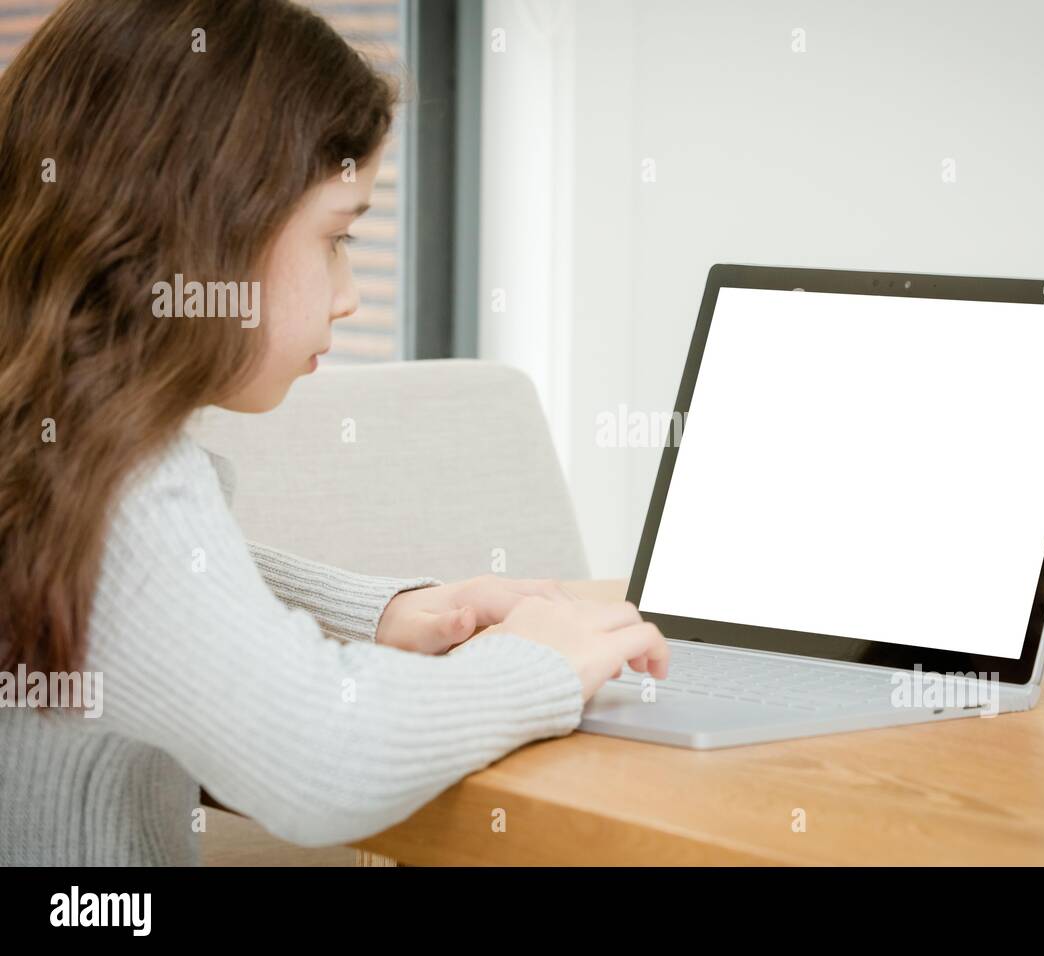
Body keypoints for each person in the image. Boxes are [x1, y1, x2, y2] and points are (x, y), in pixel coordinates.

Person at [0, 0, 669, 865]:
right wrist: (541, 665)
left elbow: (150, 601)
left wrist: (377, 614)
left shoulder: (48, 451)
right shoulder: (122, 487)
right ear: (202, 229)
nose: (349, 293)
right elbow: (324, 756)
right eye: (335, 239)